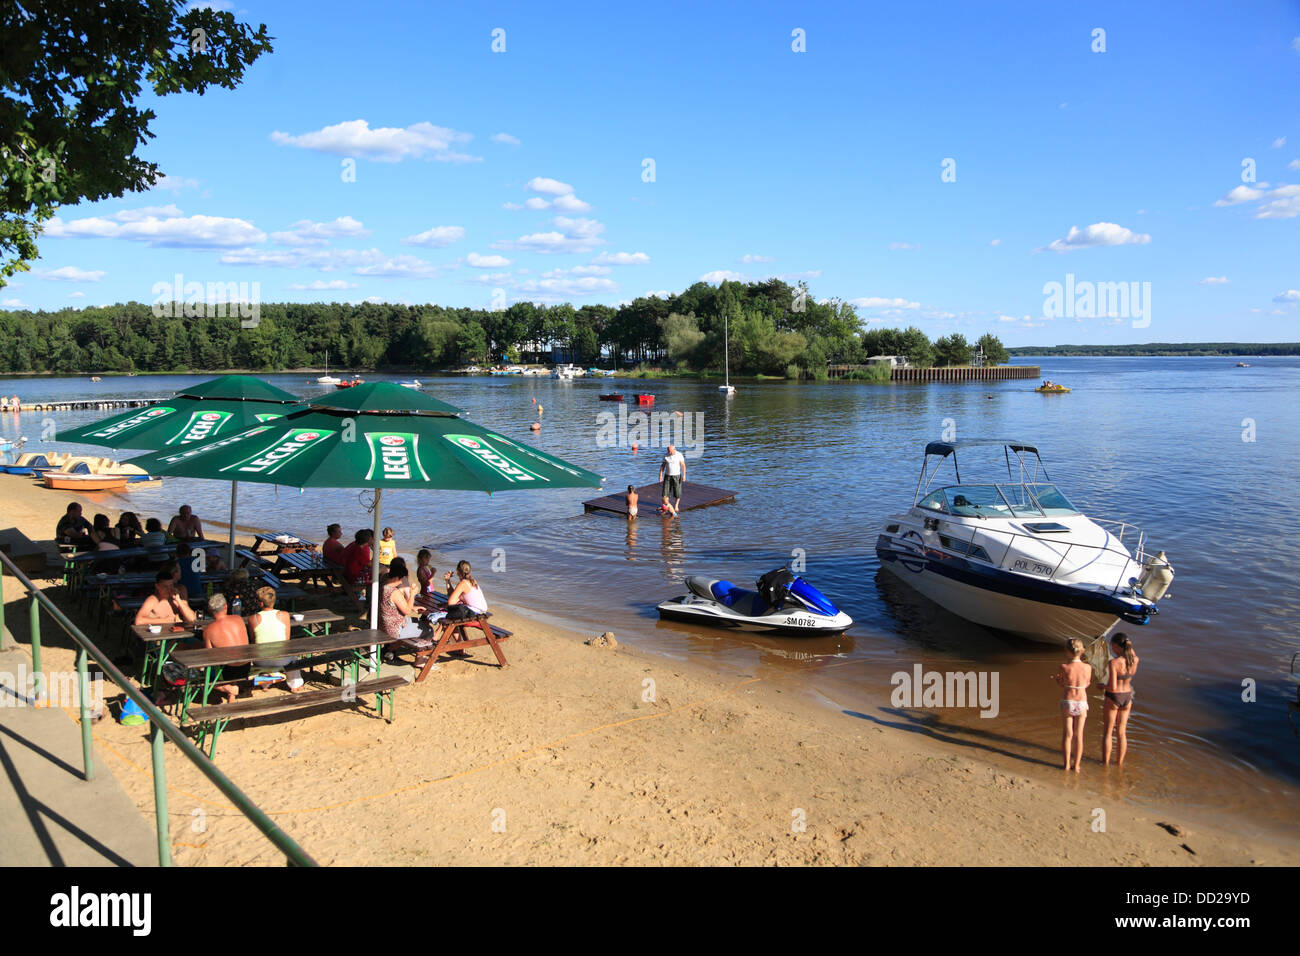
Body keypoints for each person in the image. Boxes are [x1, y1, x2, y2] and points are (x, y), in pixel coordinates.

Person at [247, 586, 303, 693]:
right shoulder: (284, 615)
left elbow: (254, 640)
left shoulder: (252, 618)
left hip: (261, 660)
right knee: (293, 656)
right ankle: (295, 684)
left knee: (260, 651)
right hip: (282, 659)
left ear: (260, 603)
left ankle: (265, 683)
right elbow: (286, 640)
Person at [1051, 637, 1092, 772]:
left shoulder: (1064, 667)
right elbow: (1087, 684)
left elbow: (1062, 684)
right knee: (1078, 735)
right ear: (1081, 651)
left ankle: (1066, 765)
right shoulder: (1087, 667)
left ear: (1067, 651)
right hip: (1081, 702)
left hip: (1067, 701)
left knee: (1067, 734)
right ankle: (1077, 766)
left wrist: (1057, 681)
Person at [202, 593, 249, 703]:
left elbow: (209, 656)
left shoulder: (208, 630)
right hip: (245, 667)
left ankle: (228, 688)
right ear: (225, 607)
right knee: (235, 653)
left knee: (204, 676)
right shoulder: (238, 619)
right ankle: (231, 694)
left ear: (210, 611)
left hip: (227, 671)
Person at [1101, 632, 1139, 766]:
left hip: (1114, 696)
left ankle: (1105, 764)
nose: (1112, 650)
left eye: (1113, 647)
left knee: (1108, 732)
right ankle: (1119, 763)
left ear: (1117, 646)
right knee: (1122, 733)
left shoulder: (1114, 663)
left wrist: (1102, 686)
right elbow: (1130, 651)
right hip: (1127, 696)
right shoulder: (1135, 660)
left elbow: (1112, 686)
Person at [342, 529, 374, 599]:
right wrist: (375, 552)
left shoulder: (353, 545)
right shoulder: (362, 549)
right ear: (370, 539)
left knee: (377, 571)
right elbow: (371, 565)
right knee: (379, 574)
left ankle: (368, 597)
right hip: (354, 577)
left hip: (346, 573)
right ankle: (370, 599)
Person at [658, 443, 686, 516]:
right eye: (668, 451)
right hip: (667, 476)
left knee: (677, 492)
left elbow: (683, 465)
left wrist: (684, 475)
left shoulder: (679, 455)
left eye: (671, 451)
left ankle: (676, 505)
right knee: (665, 493)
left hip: (676, 476)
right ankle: (667, 505)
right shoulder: (665, 455)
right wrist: (660, 475)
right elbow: (662, 466)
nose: (670, 453)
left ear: (674, 449)